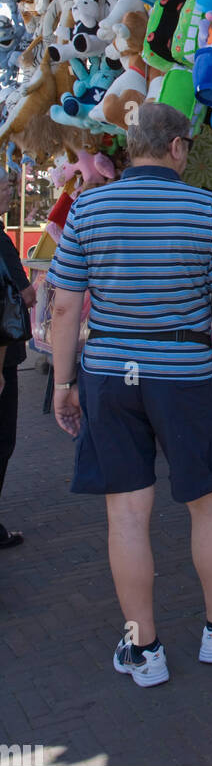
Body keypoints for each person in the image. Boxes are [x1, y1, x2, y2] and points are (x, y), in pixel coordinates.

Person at [49, 103, 212, 689]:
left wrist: (64, 384)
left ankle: (143, 647)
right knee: (209, 503)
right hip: (185, 374)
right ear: (176, 148)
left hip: (111, 373)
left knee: (127, 512)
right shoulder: (207, 208)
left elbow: (66, 305)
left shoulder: (88, 208)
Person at [0, 170, 37, 550]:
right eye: (7, 188)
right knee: (2, 441)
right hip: (4, 362)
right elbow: (24, 295)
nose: (11, 193)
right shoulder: (1, 242)